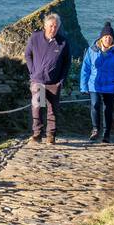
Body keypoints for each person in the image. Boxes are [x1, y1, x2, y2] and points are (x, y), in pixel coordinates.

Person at [24, 12, 71, 145]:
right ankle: (37, 134)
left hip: (54, 82)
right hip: (37, 80)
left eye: (56, 26)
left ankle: (51, 135)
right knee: (37, 106)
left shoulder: (63, 42)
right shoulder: (35, 37)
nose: (53, 29)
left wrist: (61, 80)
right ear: (45, 26)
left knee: (52, 109)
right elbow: (28, 54)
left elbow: (67, 62)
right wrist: (32, 71)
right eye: (50, 26)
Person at [79, 22, 114, 143]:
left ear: (113, 39)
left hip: (111, 85)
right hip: (94, 84)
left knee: (108, 109)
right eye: (105, 36)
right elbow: (85, 68)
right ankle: (95, 130)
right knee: (95, 105)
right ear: (101, 37)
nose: (108, 39)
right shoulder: (92, 50)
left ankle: (106, 133)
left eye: (110, 37)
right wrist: (84, 85)